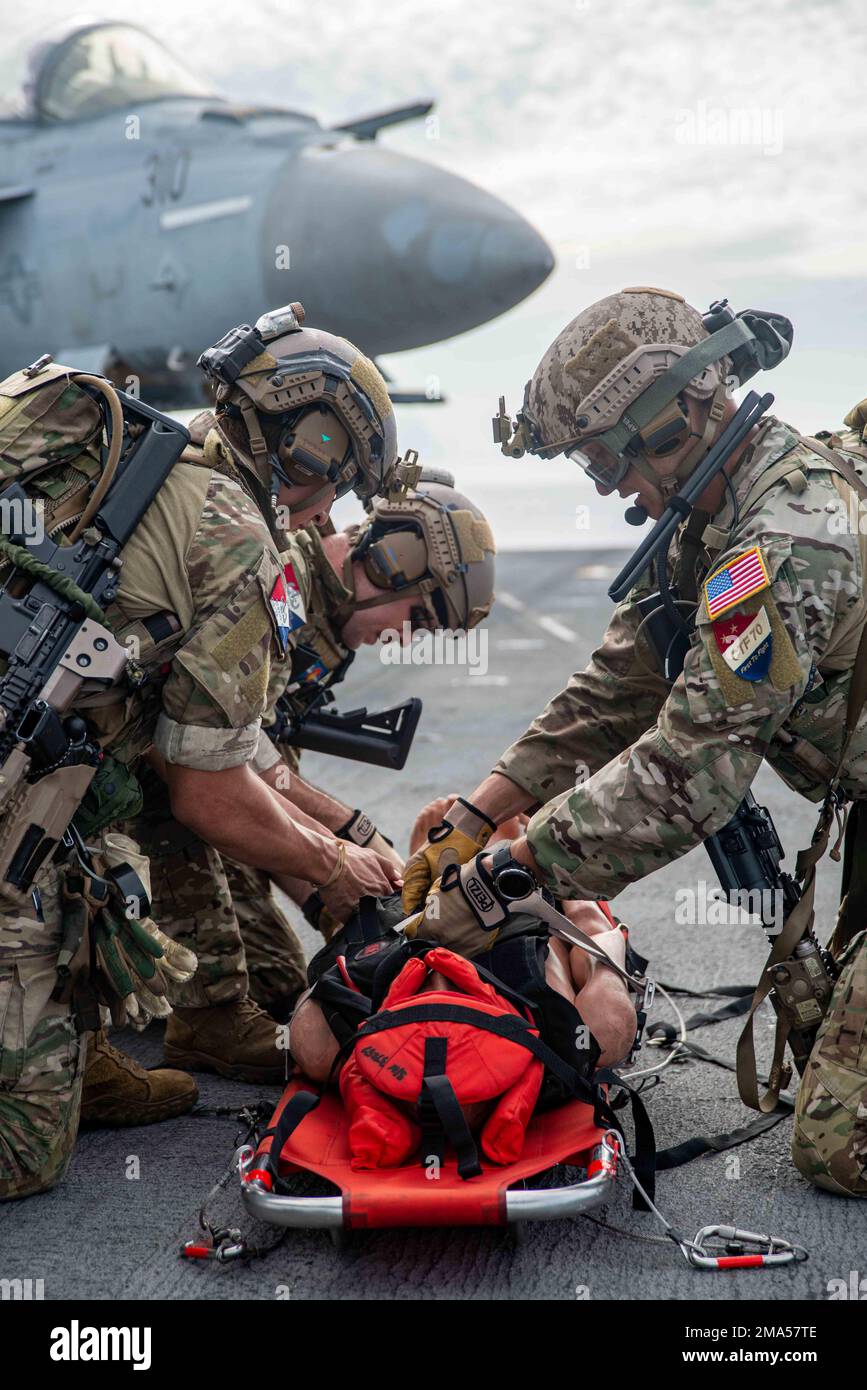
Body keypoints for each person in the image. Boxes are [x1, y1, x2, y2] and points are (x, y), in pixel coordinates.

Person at [401, 286, 867, 1194]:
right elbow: (618, 684)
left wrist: (504, 884)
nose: (611, 487)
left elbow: (687, 773)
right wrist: (476, 813)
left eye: (603, 460)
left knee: (840, 1145)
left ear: (667, 416)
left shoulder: (776, 542)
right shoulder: (712, 513)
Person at [0, 305, 399, 1197]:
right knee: (22, 1158)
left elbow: (216, 740)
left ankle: (76, 1049)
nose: (328, 508)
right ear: (308, 441)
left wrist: (340, 834)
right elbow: (208, 792)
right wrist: (333, 867)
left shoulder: (140, 470)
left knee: (98, 831)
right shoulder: (239, 543)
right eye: (335, 482)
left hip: (33, 771)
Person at [134, 475, 497, 1068]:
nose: (406, 640)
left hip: (204, 784)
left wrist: (351, 905)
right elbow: (221, 767)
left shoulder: (324, 624)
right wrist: (345, 845)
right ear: (392, 563)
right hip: (158, 782)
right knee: (265, 996)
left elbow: (269, 765)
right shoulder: (278, 589)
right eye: (420, 617)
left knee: (280, 986)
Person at [289, 803, 638, 1123]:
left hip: (412, 948)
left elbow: (346, 954)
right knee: (577, 948)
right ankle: (522, 872)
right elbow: (598, 943)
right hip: (514, 938)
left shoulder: (322, 1046)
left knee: (383, 923)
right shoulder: (585, 1038)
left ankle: (428, 879)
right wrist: (570, 898)